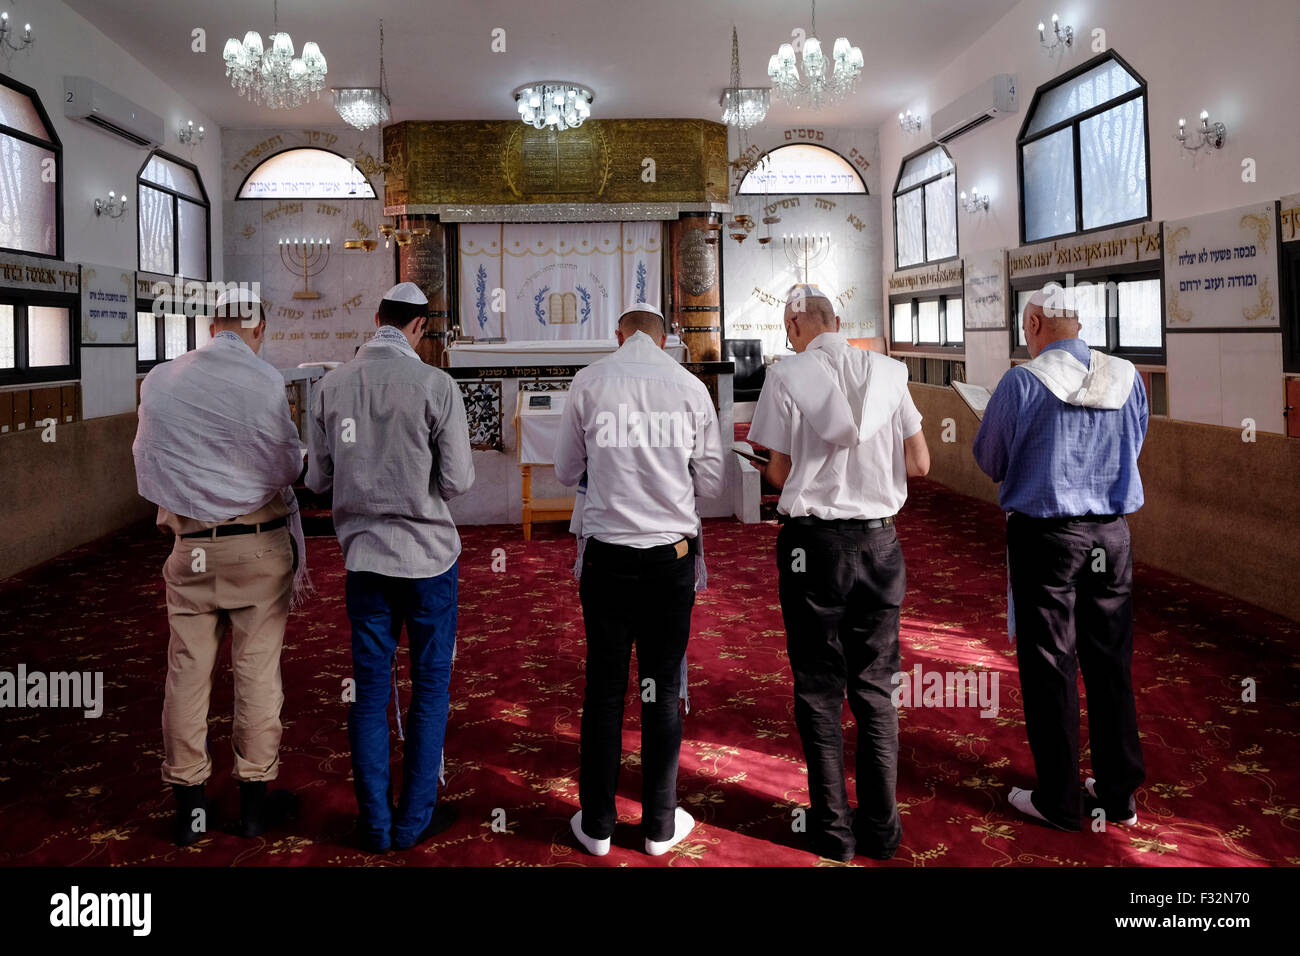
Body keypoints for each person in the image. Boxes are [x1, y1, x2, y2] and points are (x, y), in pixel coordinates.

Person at [749, 284, 930, 862]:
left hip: (813, 547)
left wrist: (797, 470)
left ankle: (833, 830)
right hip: (879, 543)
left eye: (787, 328)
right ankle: (882, 829)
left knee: (820, 687)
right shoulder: (889, 373)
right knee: (876, 689)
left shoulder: (786, 375)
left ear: (797, 323)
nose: (787, 339)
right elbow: (921, 463)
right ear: (838, 319)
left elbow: (778, 474)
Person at [133, 288, 309, 847]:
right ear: (258, 328)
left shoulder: (162, 378)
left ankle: (190, 809)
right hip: (256, 548)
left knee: (186, 673)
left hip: (190, 548)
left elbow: (147, 462)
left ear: (212, 323)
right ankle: (254, 805)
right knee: (257, 673)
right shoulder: (262, 380)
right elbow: (286, 465)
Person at [306, 282, 474, 854]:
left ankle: (375, 825)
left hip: (365, 561)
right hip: (429, 560)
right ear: (421, 327)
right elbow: (458, 482)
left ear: (376, 317)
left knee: (370, 692)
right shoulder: (435, 384)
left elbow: (319, 483)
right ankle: (414, 820)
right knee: (429, 689)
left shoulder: (330, 385)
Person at [973, 286, 1148, 832]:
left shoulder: (1023, 381)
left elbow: (990, 460)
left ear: (1034, 323)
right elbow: (1136, 444)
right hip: (1111, 537)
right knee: (1110, 662)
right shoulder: (1126, 376)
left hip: (1048, 538)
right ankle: (1118, 795)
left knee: (1051, 665)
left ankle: (1060, 798)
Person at [554, 302, 724, 857]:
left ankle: (598, 826)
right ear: (667, 336)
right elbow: (715, 482)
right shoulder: (690, 386)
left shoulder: (590, 381)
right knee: (662, 690)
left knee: (604, 692)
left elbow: (563, 471)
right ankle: (658, 826)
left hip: (606, 559)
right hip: (669, 561)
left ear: (619, 334)